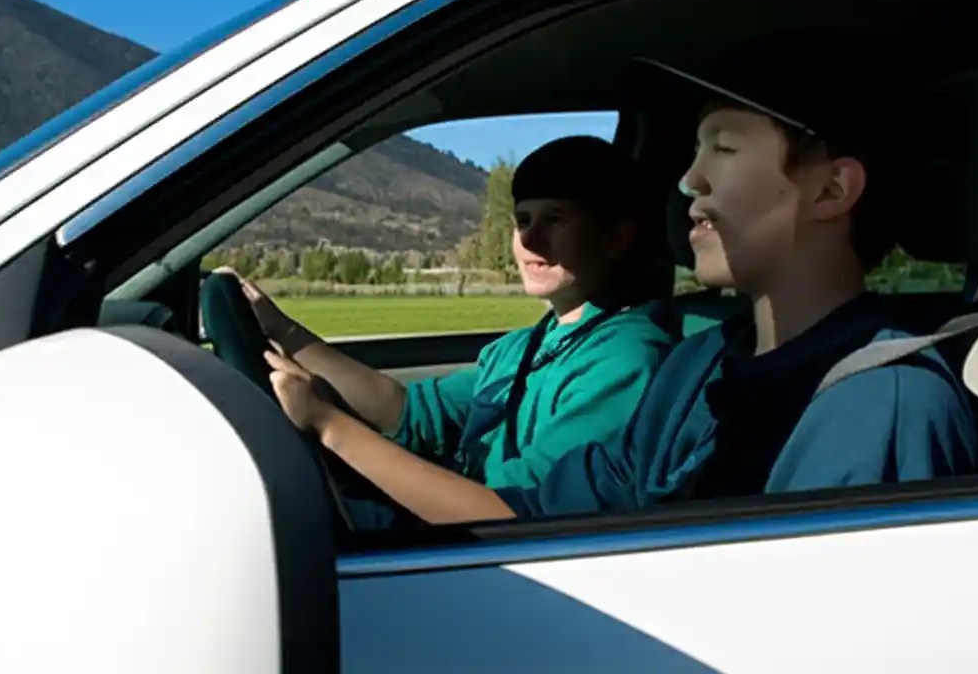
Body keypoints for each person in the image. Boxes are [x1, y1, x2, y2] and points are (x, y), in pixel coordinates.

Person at [488, 35, 978, 521]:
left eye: (723, 148)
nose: (688, 180)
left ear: (831, 191)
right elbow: (540, 517)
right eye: (696, 150)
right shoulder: (700, 363)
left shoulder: (881, 407)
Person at [239, 135, 678, 527]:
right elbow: (412, 412)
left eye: (555, 219)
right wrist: (283, 329)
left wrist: (327, 424)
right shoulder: (524, 346)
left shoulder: (624, 359)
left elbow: (509, 512)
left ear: (616, 238)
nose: (529, 240)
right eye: (522, 221)